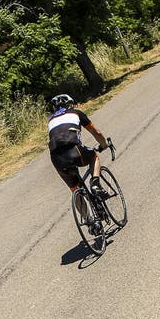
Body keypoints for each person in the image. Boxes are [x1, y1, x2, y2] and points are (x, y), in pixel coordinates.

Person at [48, 94, 108, 228]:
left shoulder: (50, 119)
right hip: (74, 149)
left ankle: (90, 222)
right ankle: (95, 184)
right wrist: (104, 145)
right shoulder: (76, 113)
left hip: (56, 158)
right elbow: (96, 132)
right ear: (71, 104)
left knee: (75, 189)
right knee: (93, 156)